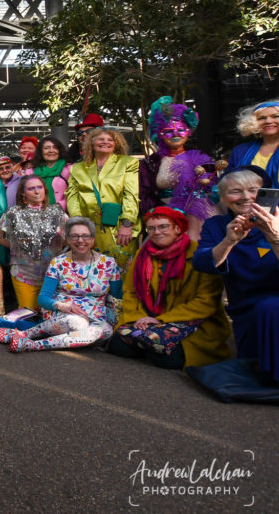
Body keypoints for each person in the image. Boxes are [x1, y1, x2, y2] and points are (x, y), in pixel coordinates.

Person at [111, 207, 229, 369]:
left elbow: (206, 301)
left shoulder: (199, 254)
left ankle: (152, 345)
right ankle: (149, 343)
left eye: (163, 226)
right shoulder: (142, 254)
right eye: (151, 228)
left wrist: (161, 320)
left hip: (191, 321)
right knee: (118, 345)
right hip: (148, 317)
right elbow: (130, 291)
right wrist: (138, 318)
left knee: (166, 358)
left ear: (178, 228)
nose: (157, 232)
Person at [193, 167, 279, 385]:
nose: (246, 197)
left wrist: (273, 235)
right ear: (222, 197)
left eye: (253, 190)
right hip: (245, 308)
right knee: (252, 368)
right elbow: (202, 262)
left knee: (270, 307)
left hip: (274, 305)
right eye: (235, 191)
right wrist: (229, 241)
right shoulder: (217, 225)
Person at [0, 217, 121, 353]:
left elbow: (116, 298)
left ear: (93, 238)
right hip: (63, 313)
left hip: (97, 317)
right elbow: (43, 298)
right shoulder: (58, 262)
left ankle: (29, 342)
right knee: (79, 324)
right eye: (74, 236)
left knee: (105, 331)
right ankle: (27, 337)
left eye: (85, 236)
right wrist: (64, 306)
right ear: (67, 239)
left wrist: (114, 322)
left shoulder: (109, 263)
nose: (80, 240)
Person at [138, 96, 218, 239]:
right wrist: (167, 213)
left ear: (188, 131)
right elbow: (144, 195)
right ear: (159, 134)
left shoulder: (202, 159)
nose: (175, 134)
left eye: (180, 129)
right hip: (164, 221)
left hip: (199, 220)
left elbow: (213, 189)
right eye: (168, 130)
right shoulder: (150, 163)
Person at [66, 127, 141, 270]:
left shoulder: (128, 162)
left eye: (110, 140)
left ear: (116, 144)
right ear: (91, 143)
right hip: (90, 229)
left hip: (119, 228)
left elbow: (131, 194)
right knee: (94, 272)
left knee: (122, 271)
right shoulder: (78, 168)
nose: (105, 142)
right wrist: (79, 225)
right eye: (100, 139)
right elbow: (72, 196)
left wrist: (127, 224)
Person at [0, 175, 66, 312]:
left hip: (53, 275)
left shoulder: (57, 212)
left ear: (45, 190)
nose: (37, 191)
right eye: (31, 189)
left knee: (50, 315)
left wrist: (57, 247)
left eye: (39, 187)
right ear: (23, 194)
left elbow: (71, 236)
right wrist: (16, 246)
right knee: (27, 315)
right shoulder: (13, 213)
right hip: (23, 274)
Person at [227, 100, 279, 188]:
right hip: (246, 200)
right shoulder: (240, 151)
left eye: (276, 116)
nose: (268, 121)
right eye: (261, 118)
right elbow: (229, 183)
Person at [25, 136, 71, 211]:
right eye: (46, 148)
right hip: (37, 215)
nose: (51, 150)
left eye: (55, 147)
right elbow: (25, 195)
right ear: (41, 151)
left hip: (64, 214)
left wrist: (60, 206)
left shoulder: (69, 169)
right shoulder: (30, 172)